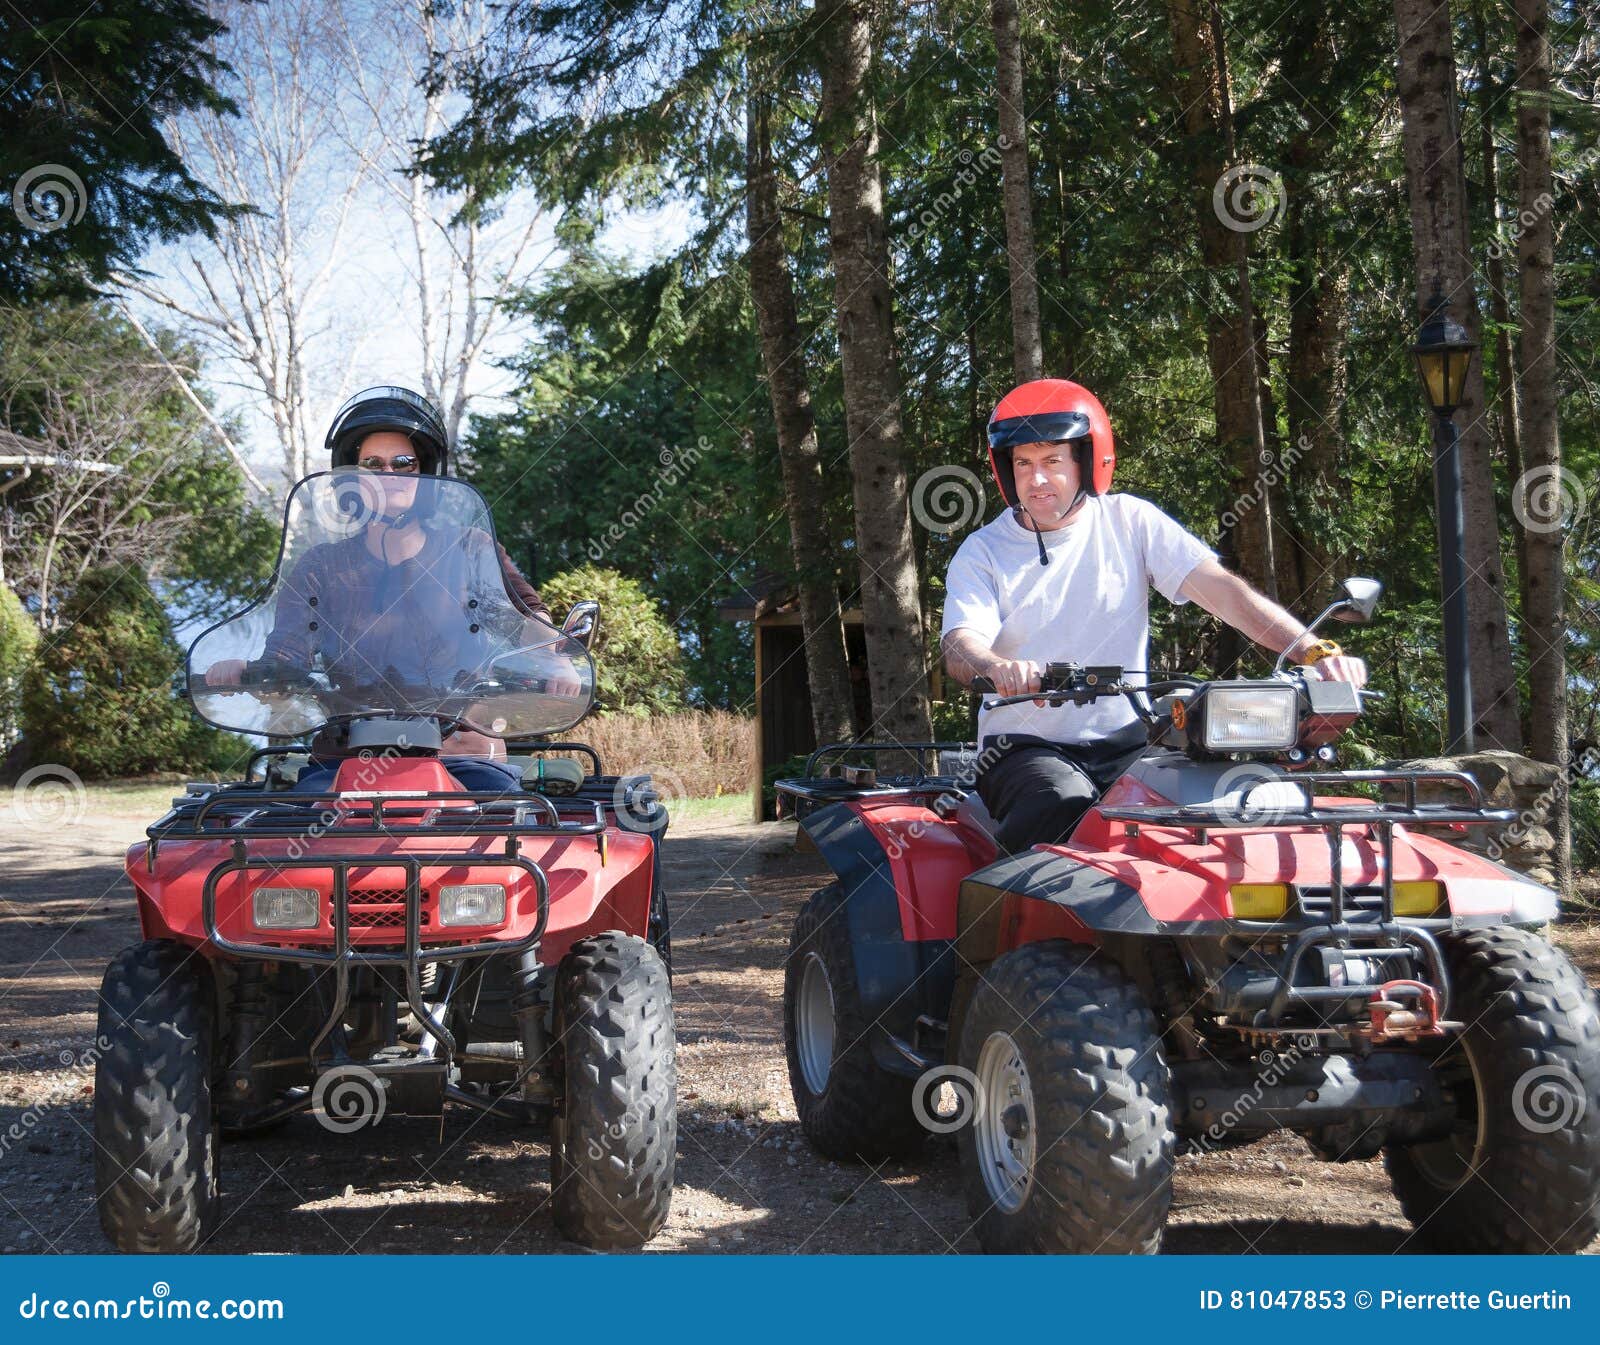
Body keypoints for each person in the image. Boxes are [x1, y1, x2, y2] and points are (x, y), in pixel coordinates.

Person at [940, 378, 1368, 855]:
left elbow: (1223, 591)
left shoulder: (1130, 521)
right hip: (1021, 748)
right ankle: (1012, 905)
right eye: (1023, 463)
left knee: (1217, 804)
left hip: (1129, 739)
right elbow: (960, 643)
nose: (1036, 479)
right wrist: (997, 667)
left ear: (1088, 462)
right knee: (1059, 801)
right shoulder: (983, 551)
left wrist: (1312, 649)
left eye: (1052, 462)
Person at [205, 385, 579, 792]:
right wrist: (252, 674)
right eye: (372, 464)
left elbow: (521, 617)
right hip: (344, 760)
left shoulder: (470, 548)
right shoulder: (321, 567)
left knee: (505, 819)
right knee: (302, 820)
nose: (389, 475)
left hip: (465, 756)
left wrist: (554, 656)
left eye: (403, 463)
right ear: (352, 479)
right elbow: (286, 658)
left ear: (424, 474)